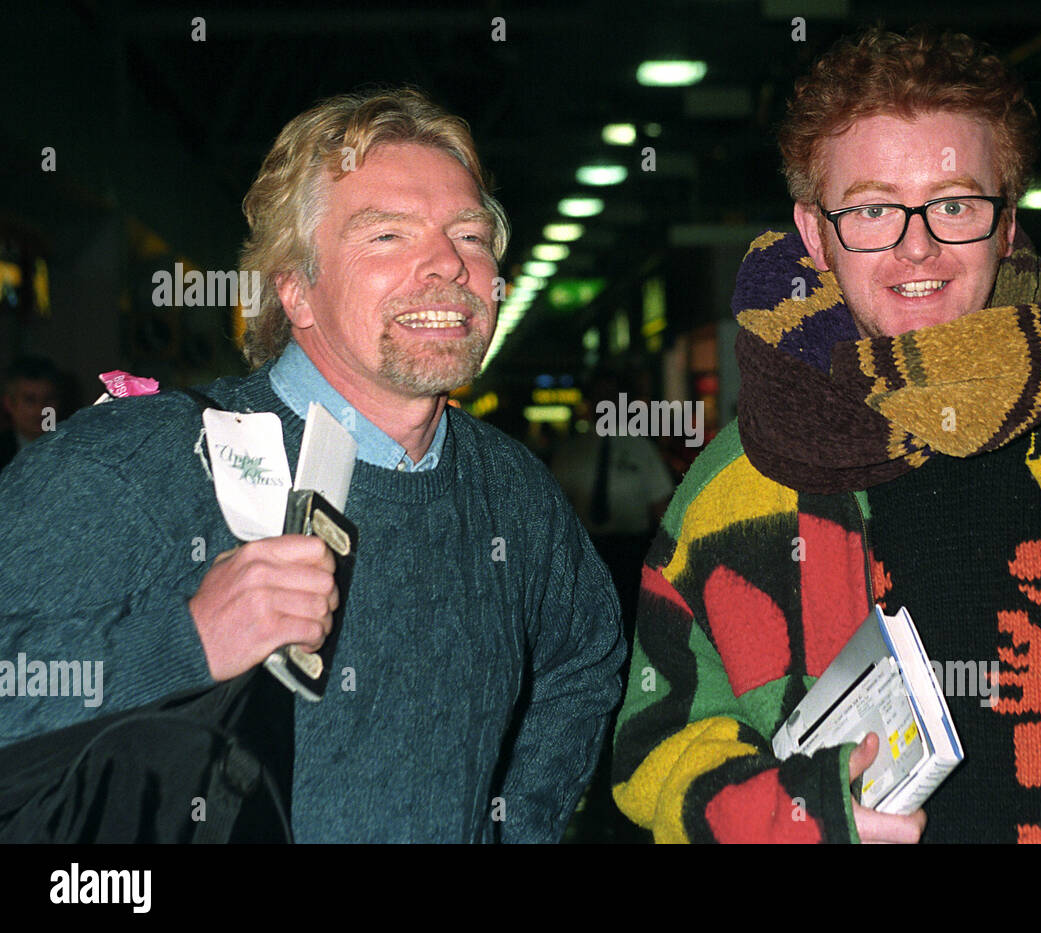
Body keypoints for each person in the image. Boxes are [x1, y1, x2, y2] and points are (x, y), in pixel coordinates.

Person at [611, 27, 1041, 843]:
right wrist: (797, 816)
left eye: (955, 204)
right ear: (813, 233)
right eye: (871, 208)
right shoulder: (739, 484)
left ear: (1007, 224)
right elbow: (656, 749)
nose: (917, 245)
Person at [0, 88, 625, 843]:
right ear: (295, 287)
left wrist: (512, 824)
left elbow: (584, 661)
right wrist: (187, 638)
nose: (448, 264)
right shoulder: (137, 464)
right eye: (388, 235)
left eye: (469, 234)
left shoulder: (514, 496)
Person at [0, 356, 61, 470]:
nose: (41, 409)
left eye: (48, 399)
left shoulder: (73, 447)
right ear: (9, 404)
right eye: (30, 400)